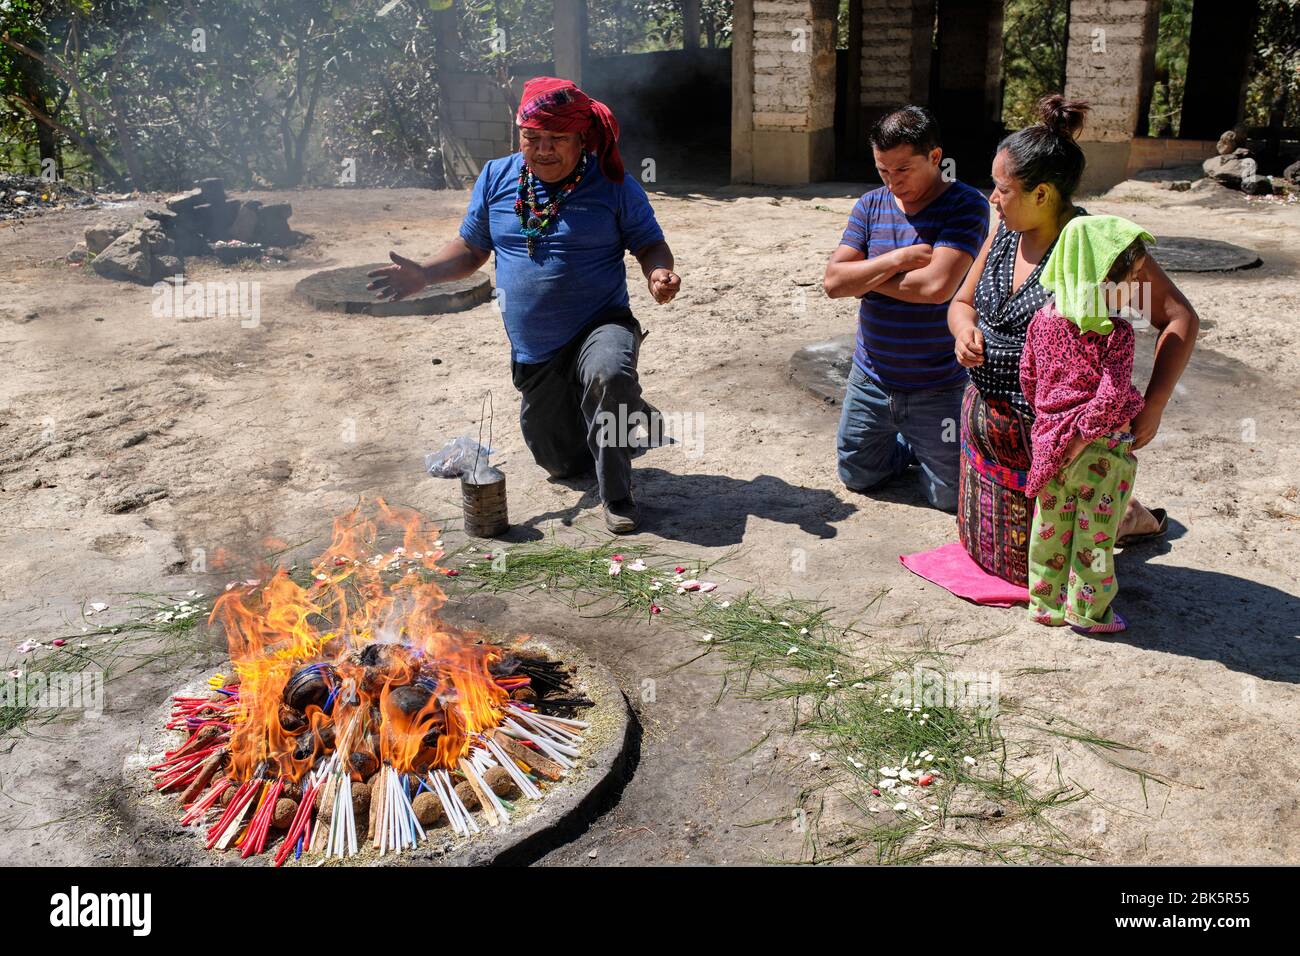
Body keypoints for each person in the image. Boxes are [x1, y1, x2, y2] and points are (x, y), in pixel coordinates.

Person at [368, 76, 680, 534]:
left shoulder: (613, 185)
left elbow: (650, 243)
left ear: (581, 138)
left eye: (556, 139)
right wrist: (426, 273)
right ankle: (627, 408)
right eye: (532, 138)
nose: (543, 150)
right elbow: (472, 250)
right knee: (561, 464)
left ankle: (618, 494)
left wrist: (657, 272)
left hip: (601, 322)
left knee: (608, 373)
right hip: (538, 349)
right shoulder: (497, 177)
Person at [947, 95, 1198, 586]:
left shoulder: (1097, 252)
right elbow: (962, 303)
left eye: (1002, 188)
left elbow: (1179, 318)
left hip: (1062, 444)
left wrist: (1154, 405)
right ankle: (1120, 509)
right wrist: (963, 331)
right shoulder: (1003, 230)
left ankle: (1122, 513)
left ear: (1042, 194)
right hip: (992, 439)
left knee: (1043, 572)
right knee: (989, 556)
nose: (992, 198)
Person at [823, 106, 990, 511]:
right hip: (872, 377)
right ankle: (907, 444)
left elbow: (936, 287)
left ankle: (922, 442)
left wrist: (864, 280)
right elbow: (832, 282)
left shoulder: (965, 205)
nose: (893, 182)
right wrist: (896, 261)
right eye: (883, 170)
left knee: (949, 498)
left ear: (935, 158)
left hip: (939, 383)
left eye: (903, 170)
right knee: (858, 476)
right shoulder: (869, 205)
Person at [1022, 216, 1152, 634]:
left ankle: (1045, 604)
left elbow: (1028, 377)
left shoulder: (1042, 320)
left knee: (1050, 526)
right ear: (1100, 277)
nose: (1135, 288)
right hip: (1102, 449)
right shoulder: (1117, 333)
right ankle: (1089, 613)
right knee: (1095, 535)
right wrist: (1081, 436)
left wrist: (1053, 422)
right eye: (1131, 278)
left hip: (1048, 446)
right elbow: (1112, 396)